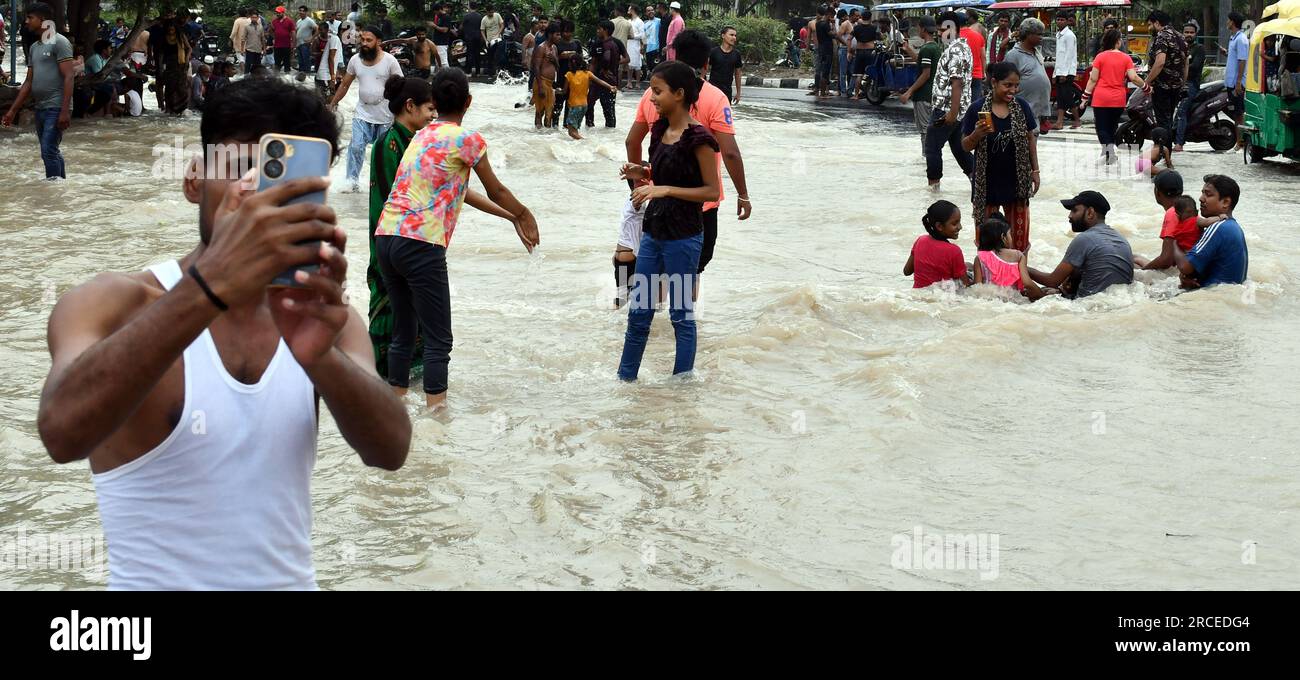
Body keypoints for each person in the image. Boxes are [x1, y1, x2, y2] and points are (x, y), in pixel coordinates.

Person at [37, 77, 412, 590]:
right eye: (237, 168)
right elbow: (61, 433)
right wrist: (209, 285)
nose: (250, 191)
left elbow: (390, 451)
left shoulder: (327, 317)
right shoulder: (111, 302)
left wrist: (322, 361)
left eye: (279, 179)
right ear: (194, 178)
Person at [374, 68, 539, 410]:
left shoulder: (422, 135)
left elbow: (459, 191)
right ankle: (437, 419)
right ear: (468, 101)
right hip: (421, 244)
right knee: (439, 340)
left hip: (387, 238)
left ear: (434, 102)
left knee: (404, 332)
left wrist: (511, 217)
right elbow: (496, 189)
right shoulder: (468, 141)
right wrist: (524, 213)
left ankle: (395, 407)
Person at [625, 30, 752, 303]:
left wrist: (640, 186)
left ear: (673, 57)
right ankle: (680, 331)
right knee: (689, 277)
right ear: (707, 63)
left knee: (655, 273)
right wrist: (743, 194)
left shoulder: (654, 93)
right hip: (698, 208)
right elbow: (729, 153)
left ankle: (652, 330)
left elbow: (632, 141)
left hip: (657, 201)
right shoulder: (715, 97)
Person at [616, 61, 719, 382]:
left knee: (680, 316)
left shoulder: (699, 139)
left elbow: (711, 190)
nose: (652, 98)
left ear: (679, 94)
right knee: (639, 313)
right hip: (653, 235)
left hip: (684, 239)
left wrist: (663, 189)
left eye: (657, 91)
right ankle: (624, 381)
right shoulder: (659, 130)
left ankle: (682, 386)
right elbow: (662, 173)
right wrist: (643, 173)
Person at [961, 61, 1041, 253]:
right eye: (1008, 85)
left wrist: (1035, 170)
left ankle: (1018, 279)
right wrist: (977, 134)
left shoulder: (1022, 107)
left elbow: (1030, 139)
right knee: (987, 243)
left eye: (1016, 85)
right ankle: (988, 281)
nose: (1012, 90)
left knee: (1019, 242)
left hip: (1017, 182)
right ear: (994, 82)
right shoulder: (977, 109)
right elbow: (965, 146)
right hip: (986, 184)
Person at [328, 26, 405, 193]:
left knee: (383, 153)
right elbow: (345, 84)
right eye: (362, 40)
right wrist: (332, 103)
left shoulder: (390, 61)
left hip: (385, 115)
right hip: (362, 113)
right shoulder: (355, 60)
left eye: (368, 40)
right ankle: (351, 183)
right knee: (355, 147)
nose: (364, 43)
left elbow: (401, 86)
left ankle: (384, 184)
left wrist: (402, 112)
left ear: (379, 42)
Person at [2, 4, 73, 179]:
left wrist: (65, 111)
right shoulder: (34, 47)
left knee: (48, 151)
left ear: (43, 20)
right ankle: (60, 186)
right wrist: (13, 110)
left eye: (30, 18)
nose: (26, 22)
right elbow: (28, 82)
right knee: (51, 151)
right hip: (41, 107)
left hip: (56, 107)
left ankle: (52, 192)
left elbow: (69, 76)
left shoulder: (60, 42)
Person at [1029, 191, 1134, 299]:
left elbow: (1052, 281)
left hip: (1089, 308)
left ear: (1090, 212)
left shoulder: (1085, 239)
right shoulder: (1121, 238)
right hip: (1119, 301)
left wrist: (1021, 266)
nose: (1070, 216)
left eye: (1074, 211)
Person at [924, 11, 974, 191]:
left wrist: (951, 114)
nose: (939, 34)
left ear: (951, 29)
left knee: (932, 148)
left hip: (947, 109)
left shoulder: (954, 50)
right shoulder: (963, 47)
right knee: (960, 149)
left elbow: (957, 82)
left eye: (941, 30)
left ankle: (933, 189)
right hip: (958, 108)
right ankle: (978, 182)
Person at [1173, 175, 1248, 288]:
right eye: (1202, 193)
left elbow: (1185, 267)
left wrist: (1174, 243)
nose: (1201, 198)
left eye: (1208, 194)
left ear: (1226, 202)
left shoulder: (1217, 227)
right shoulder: (1234, 227)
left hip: (1211, 297)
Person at [1082, 28, 1144, 164]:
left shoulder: (1100, 57)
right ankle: (1107, 154)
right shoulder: (1126, 57)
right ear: (1118, 41)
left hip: (1101, 98)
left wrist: (1085, 97)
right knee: (1112, 127)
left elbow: (1093, 79)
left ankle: (1109, 153)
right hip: (1118, 99)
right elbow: (1133, 77)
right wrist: (1145, 87)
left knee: (1101, 128)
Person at [973, 216, 1049, 300]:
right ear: (1003, 237)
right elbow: (1027, 283)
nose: (1011, 238)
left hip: (989, 300)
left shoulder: (979, 258)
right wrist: (1042, 296)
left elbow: (977, 289)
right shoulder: (1018, 256)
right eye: (1010, 234)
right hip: (1013, 300)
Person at [904, 200, 968, 289]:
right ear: (939, 226)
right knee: (970, 268)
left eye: (959, 222)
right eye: (954, 223)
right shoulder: (954, 251)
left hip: (918, 297)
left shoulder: (920, 240)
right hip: (944, 299)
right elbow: (965, 286)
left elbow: (907, 271)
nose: (960, 227)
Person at [1002, 18, 1051, 135]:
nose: (1041, 37)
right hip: (1022, 111)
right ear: (1028, 35)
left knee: (1033, 140)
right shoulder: (1014, 55)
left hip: (1037, 111)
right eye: (1038, 34)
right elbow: (1005, 82)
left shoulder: (1037, 51)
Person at [899, 18, 939, 157]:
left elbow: (925, 74)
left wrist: (909, 91)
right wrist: (908, 50)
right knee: (929, 128)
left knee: (924, 130)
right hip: (931, 93)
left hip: (923, 95)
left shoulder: (927, 49)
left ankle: (927, 157)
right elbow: (921, 63)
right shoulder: (934, 47)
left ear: (922, 29)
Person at [1143, 10, 1187, 133]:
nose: (1149, 28)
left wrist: (1147, 81)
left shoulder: (1162, 36)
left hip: (1162, 86)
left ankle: (1163, 149)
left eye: (1150, 24)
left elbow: (1160, 62)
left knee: (1162, 122)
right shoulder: (1180, 36)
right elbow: (1185, 63)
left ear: (1157, 23)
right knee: (1169, 120)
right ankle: (1167, 149)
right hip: (1176, 86)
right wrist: (1182, 83)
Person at [561, 55, 614, 139]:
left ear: (571, 64)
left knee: (571, 132)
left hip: (574, 106)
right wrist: (610, 86)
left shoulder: (569, 75)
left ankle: (586, 142)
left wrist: (556, 91)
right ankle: (580, 148)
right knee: (575, 130)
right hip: (584, 106)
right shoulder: (587, 73)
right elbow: (599, 81)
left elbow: (564, 91)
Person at [1173, 22, 1206, 152]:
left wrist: (1180, 67)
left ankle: (1179, 143)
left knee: (1181, 112)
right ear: (1182, 33)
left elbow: (1195, 67)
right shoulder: (1179, 48)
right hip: (1178, 83)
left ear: (1196, 34)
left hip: (1191, 84)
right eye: (1186, 32)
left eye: (1191, 32)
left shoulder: (1199, 48)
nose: (1188, 35)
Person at [587, 20, 621, 128]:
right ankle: (610, 133)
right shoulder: (614, 43)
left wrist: (604, 69)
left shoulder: (607, 44)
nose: (597, 31)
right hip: (609, 81)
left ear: (605, 30)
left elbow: (606, 58)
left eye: (599, 29)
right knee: (609, 109)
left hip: (601, 80)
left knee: (590, 104)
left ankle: (589, 126)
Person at [1224, 12, 1249, 150]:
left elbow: (1242, 60)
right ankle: (1239, 141)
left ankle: (1242, 142)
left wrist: (1238, 82)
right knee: (1235, 112)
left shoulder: (1241, 39)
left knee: (1239, 113)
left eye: (1228, 20)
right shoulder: (1234, 38)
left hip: (1236, 83)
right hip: (1230, 82)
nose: (1226, 23)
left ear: (1232, 22)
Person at [1052, 11, 1080, 130]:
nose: (1059, 22)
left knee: (1067, 96)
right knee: (1060, 97)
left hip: (1067, 71)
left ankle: (1077, 120)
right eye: (1058, 19)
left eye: (1062, 20)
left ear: (1067, 21)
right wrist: (1055, 73)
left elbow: (1069, 55)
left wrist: (1063, 73)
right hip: (1059, 70)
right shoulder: (1059, 35)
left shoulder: (1069, 35)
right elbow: (1059, 56)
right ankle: (1059, 122)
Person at [708, 26, 743, 104]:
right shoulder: (713, 52)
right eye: (731, 35)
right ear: (723, 36)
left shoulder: (736, 54)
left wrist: (738, 93)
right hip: (712, 91)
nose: (734, 38)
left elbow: (738, 74)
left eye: (735, 35)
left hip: (727, 92)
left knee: (725, 115)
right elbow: (705, 69)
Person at [959, 12, 986, 102]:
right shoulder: (978, 36)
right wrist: (983, 73)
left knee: (961, 104)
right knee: (975, 104)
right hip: (977, 75)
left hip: (961, 75)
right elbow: (983, 57)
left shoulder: (954, 37)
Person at [316, 20, 344, 98]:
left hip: (327, 75)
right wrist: (332, 77)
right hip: (325, 76)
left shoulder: (335, 39)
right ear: (341, 31)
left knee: (329, 98)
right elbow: (331, 58)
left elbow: (337, 59)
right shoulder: (335, 39)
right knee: (326, 100)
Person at [814, 5, 835, 99]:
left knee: (823, 70)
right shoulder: (825, 24)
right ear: (829, 14)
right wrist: (833, 25)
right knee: (825, 72)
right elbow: (833, 35)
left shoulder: (818, 23)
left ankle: (821, 92)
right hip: (827, 50)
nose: (833, 18)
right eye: (832, 15)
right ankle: (822, 94)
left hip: (821, 48)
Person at [481, 4, 505, 79]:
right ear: (487, 12)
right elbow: (482, 30)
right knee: (490, 58)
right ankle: (490, 74)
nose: (491, 14)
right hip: (489, 41)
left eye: (492, 12)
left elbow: (502, 25)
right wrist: (485, 40)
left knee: (500, 56)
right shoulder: (484, 19)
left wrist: (498, 33)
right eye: (489, 12)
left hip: (498, 39)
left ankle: (501, 73)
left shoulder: (497, 15)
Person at [295, 5, 319, 78]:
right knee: (300, 61)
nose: (301, 12)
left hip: (305, 44)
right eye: (300, 11)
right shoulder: (299, 21)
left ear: (306, 12)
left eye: (303, 11)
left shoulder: (309, 20)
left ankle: (307, 76)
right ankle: (301, 77)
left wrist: (311, 39)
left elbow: (317, 29)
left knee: (306, 60)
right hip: (298, 44)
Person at [627, 6, 646, 89]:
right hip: (628, 44)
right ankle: (629, 82)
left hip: (635, 44)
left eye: (629, 9)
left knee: (637, 64)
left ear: (633, 10)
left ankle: (638, 83)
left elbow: (642, 35)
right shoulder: (628, 21)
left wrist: (633, 36)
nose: (628, 10)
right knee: (629, 64)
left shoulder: (640, 21)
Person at [271, 6, 294, 74]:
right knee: (277, 63)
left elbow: (293, 32)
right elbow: (271, 30)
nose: (277, 14)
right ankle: (276, 78)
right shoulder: (274, 21)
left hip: (286, 45)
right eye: (276, 13)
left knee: (287, 63)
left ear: (283, 13)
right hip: (277, 45)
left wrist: (293, 43)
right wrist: (274, 37)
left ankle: (288, 78)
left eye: (279, 13)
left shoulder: (289, 21)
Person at [431, 3, 454, 69]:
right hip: (437, 42)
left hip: (442, 43)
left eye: (435, 11)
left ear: (438, 10)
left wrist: (434, 26)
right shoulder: (439, 17)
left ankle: (448, 76)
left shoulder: (446, 17)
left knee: (443, 62)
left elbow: (445, 30)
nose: (435, 13)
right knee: (438, 61)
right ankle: (441, 76)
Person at [644, 6, 662, 73]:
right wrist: (643, 49)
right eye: (648, 10)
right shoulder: (645, 23)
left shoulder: (659, 21)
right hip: (648, 50)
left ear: (654, 11)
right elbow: (644, 37)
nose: (651, 11)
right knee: (650, 68)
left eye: (652, 10)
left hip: (656, 49)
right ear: (646, 13)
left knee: (657, 68)